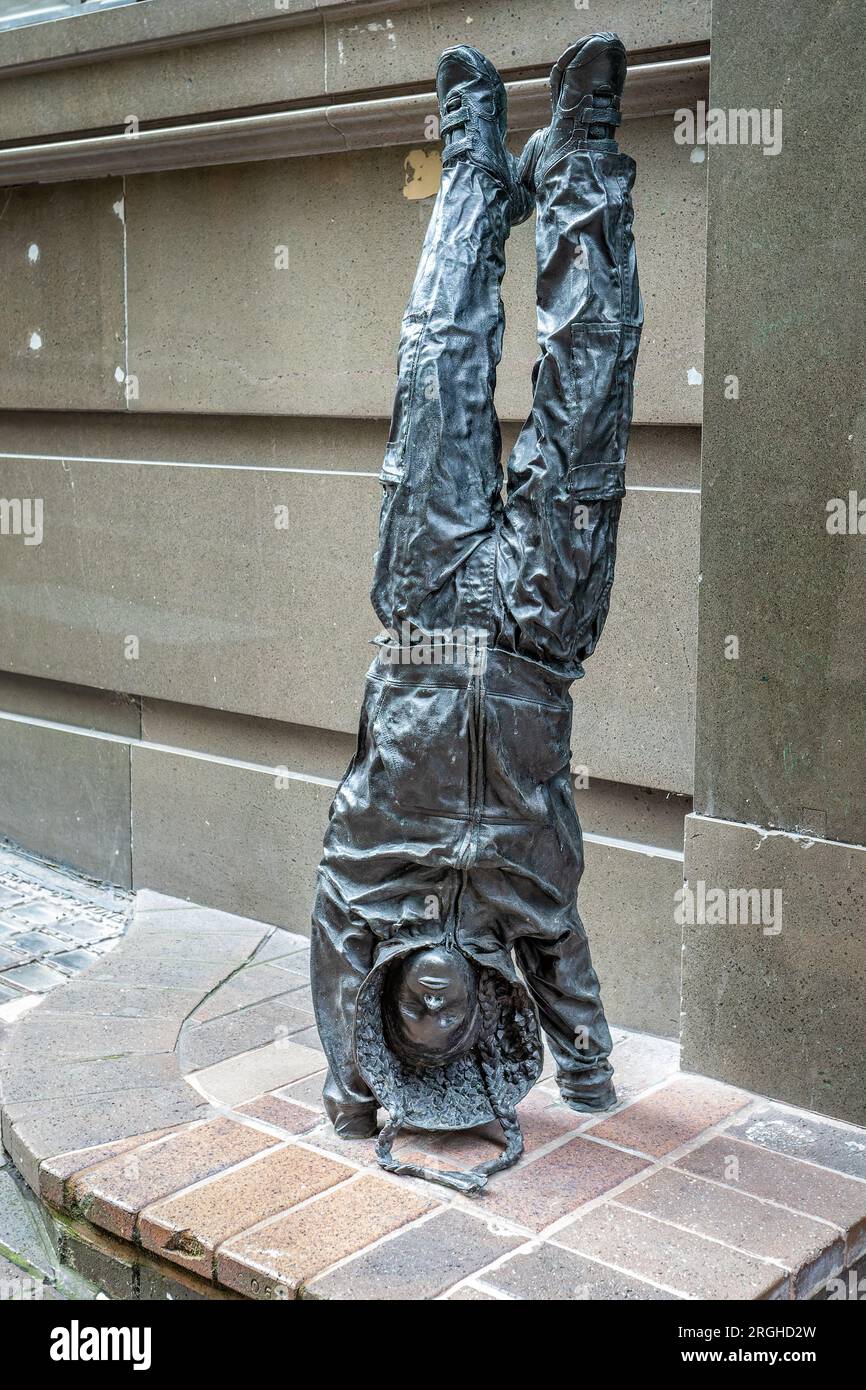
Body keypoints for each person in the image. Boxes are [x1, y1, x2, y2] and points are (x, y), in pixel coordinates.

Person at [310, 33, 643, 1162]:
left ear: (392, 1001)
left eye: (417, 1013)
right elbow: (570, 974)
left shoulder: (362, 873)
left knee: (437, 364)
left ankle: (470, 165)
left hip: (423, 604)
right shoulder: (532, 902)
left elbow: (331, 951)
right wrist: (588, 1071)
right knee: (586, 399)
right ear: (488, 1013)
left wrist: (351, 1090)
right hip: (543, 634)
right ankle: (581, 160)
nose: (436, 1004)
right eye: (454, 1018)